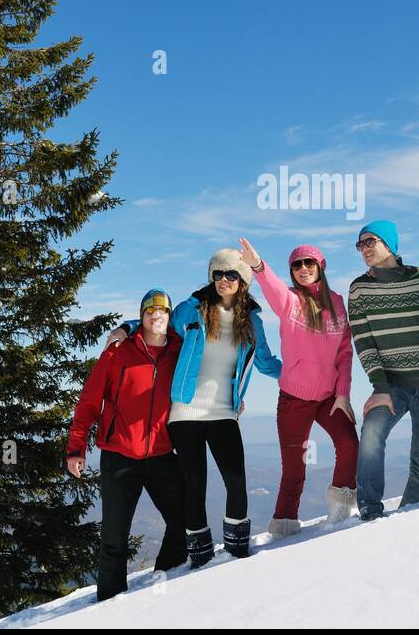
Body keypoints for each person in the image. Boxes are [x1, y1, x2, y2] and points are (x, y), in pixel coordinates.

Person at [105, 250, 281, 567]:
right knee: (194, 484)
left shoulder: (253, 320)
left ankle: (238, 550)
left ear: (243, 281)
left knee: (236, 481)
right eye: (218, 274)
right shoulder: (191, 310)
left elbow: (267, 361)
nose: (224, 280)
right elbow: (157, 326)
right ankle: (200, 555)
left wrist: (300, 373)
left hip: (224, 411)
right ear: (211, 277)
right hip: (185, 411)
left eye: (232, 275)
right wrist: (126, 328)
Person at [66, 289, 188, 601]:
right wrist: (76, 448)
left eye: (162, 311)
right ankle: (109, 602)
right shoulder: (117, 352)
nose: (156, 315)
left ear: (169, 317)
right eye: (150, 311)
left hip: (162, 454)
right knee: (114, 537)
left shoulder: (181, 351)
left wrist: (235, 400)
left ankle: (169, 577)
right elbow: (89, 403)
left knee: (184, 518)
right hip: (119, 455)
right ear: (142, 316)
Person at [238, 237, 358, 536]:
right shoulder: (291, 302)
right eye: (296, 265)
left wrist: (343, 393)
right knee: (295, 469)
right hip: (294, 398)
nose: (302, 268)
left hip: (330, 397)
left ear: (321, 266)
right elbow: (273, 288)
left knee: (350, 444)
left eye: (308, 263)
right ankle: (283, 527)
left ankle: (342, 509)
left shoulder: (339, 304)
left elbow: (344, 353)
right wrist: (258, 265)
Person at [348, 219, 419, 521]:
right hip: (392, 386)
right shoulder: (359, 289)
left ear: (390, 245)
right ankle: (369, 509)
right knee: (370, 434)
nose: (364, 248)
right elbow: (364, 342)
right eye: (360, 244)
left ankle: (409, 519)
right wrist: (379, 388)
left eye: (371, 241)